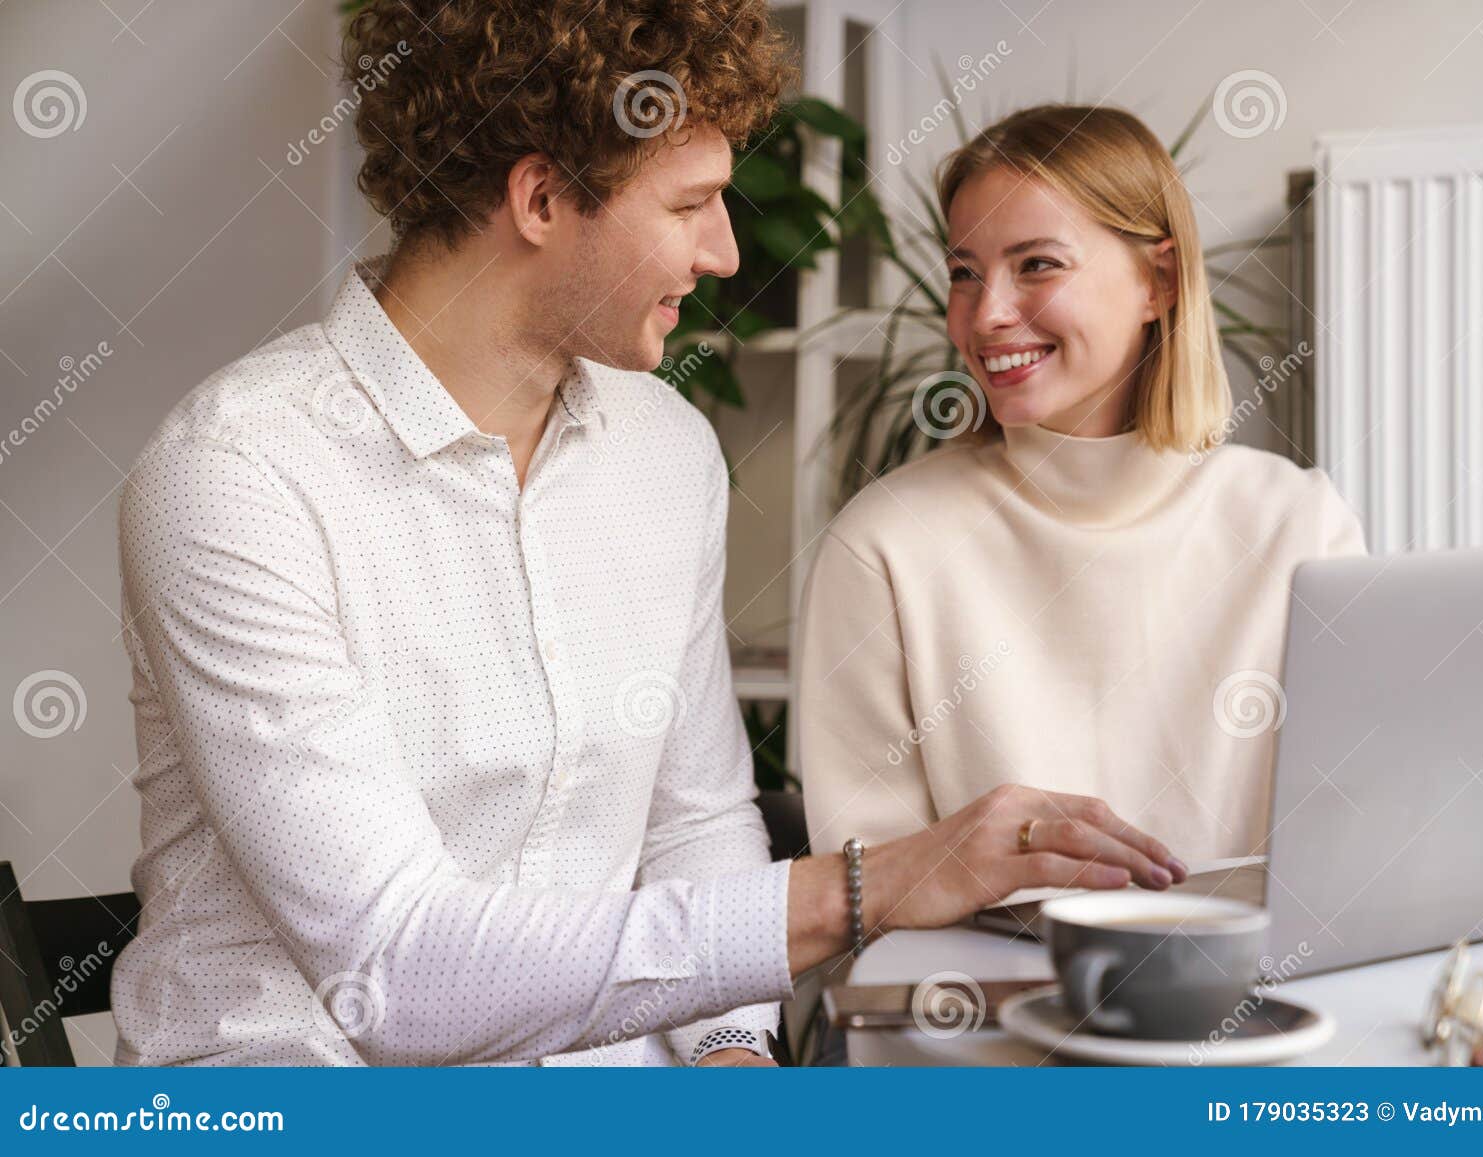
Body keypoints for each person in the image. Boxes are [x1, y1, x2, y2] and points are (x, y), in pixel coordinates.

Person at [110, 7, 1181, 1068]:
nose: (722, 251)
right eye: (693, 203)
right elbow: (399, 975)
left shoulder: (663, 447)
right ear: (538, 199)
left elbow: (696, 822)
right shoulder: (237, 475)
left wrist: (728, 1054)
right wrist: (874, 881)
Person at [798, 104, 1367, 867]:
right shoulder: (886, 545)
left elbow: (1359, 842)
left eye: (1037, 264)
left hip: (1253, 977)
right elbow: (870, 886)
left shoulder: (1299, 526)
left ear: (1158, 281)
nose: (986, 314)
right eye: (965, 272)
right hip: (986, 985)